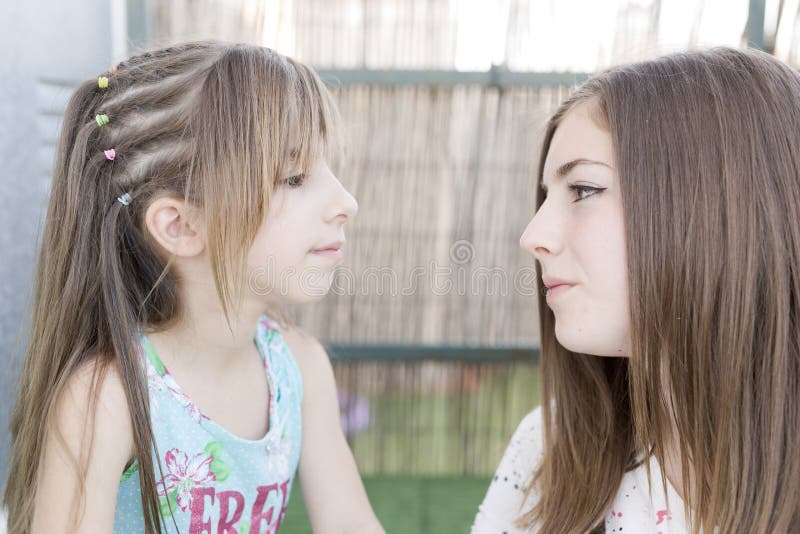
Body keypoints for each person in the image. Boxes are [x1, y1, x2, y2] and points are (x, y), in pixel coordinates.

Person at [3, 41, 385, 534]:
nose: (346, 201)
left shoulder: (300, 368)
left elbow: (351, 523)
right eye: (294, 178)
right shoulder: (106, 400)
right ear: (181, 225)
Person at [473, 47, 800, 533]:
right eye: (546, 197)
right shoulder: (548, 448)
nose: (533, 236)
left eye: (583, 190)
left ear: (711, 209)